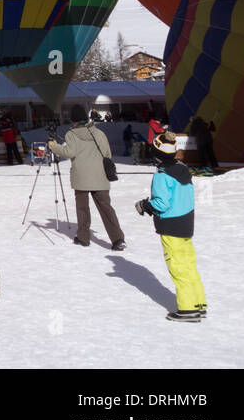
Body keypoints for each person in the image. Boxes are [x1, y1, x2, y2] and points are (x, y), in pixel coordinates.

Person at [136, 131, 206, 322]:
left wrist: (145, 205)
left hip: (171, 227)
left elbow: (162, 203)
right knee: (189, 265)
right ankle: (198, 303)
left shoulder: (162, 174)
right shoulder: (182, 168)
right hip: (185, 225)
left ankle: (188, 309)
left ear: (156, 153)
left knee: (178, 267)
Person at [48, 110, 125, 250]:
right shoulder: (99, 133)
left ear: (74, 120)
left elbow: (69, 152)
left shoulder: (71, 134)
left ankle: (83, 238)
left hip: (81, 176)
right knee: (106, 208)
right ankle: (118, 239)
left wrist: (54, 147)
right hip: (100, 175)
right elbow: (107, 153)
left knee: (82, 208)